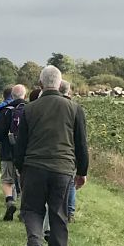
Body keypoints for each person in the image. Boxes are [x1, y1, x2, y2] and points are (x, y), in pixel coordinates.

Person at [14, 66, 89, 246]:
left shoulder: (29, 109)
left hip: (34, 166)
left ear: (40, 84)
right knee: (58, 214)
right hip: (63, 168)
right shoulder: (75, 109)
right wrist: (82, 171)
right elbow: (81, 144)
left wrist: (20, 168)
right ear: (60, 83)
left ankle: (36, 240)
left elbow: (21, 145)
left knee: (31, 209)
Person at [0, 84, 27, 221]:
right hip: (25, 154)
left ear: (12, 95)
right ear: (25, 94)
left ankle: (10, 200)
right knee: (24, 182)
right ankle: (24, 210)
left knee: (7, 180)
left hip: (7, 152)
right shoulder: (31, 110)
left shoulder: (5, 111)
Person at [59, 79, 77, 221]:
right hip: (71, 152)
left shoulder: (55, 107)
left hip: (60, 151)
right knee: (70, 183)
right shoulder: (75, 107)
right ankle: (70, 211)